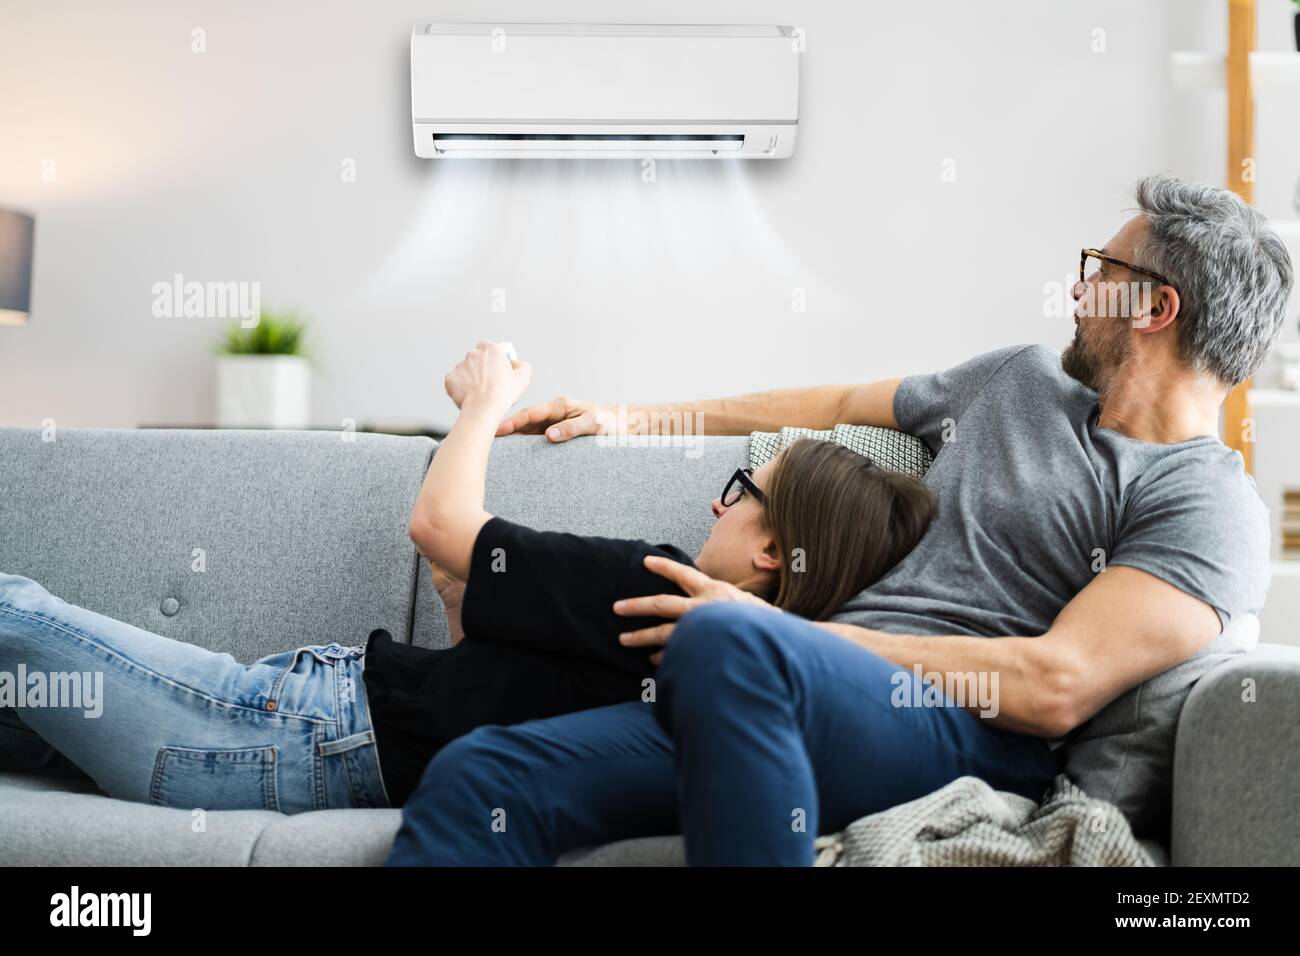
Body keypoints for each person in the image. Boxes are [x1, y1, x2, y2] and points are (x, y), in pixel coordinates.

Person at [387, 173, 1293, 866]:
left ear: (1155, 308)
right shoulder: (1019, 379)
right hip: (782, 696)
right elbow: (837, 401)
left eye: (1101, 273)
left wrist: (778, 638)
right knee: (479, 777)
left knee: (724, 644)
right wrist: (638, 417)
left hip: (959, 731)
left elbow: (1054, 684)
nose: (1076, 290)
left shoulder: (1206, 503)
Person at [0, 345, 935, 814]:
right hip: (305, 721)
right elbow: (483, 661)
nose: (716, 508)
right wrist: (467, 594)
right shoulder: (728, 679)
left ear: (773, 551)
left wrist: (483, 400)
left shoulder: (657, 582)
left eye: (741, 493)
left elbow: (436, 526)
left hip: (282, 727)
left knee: (15, 613)